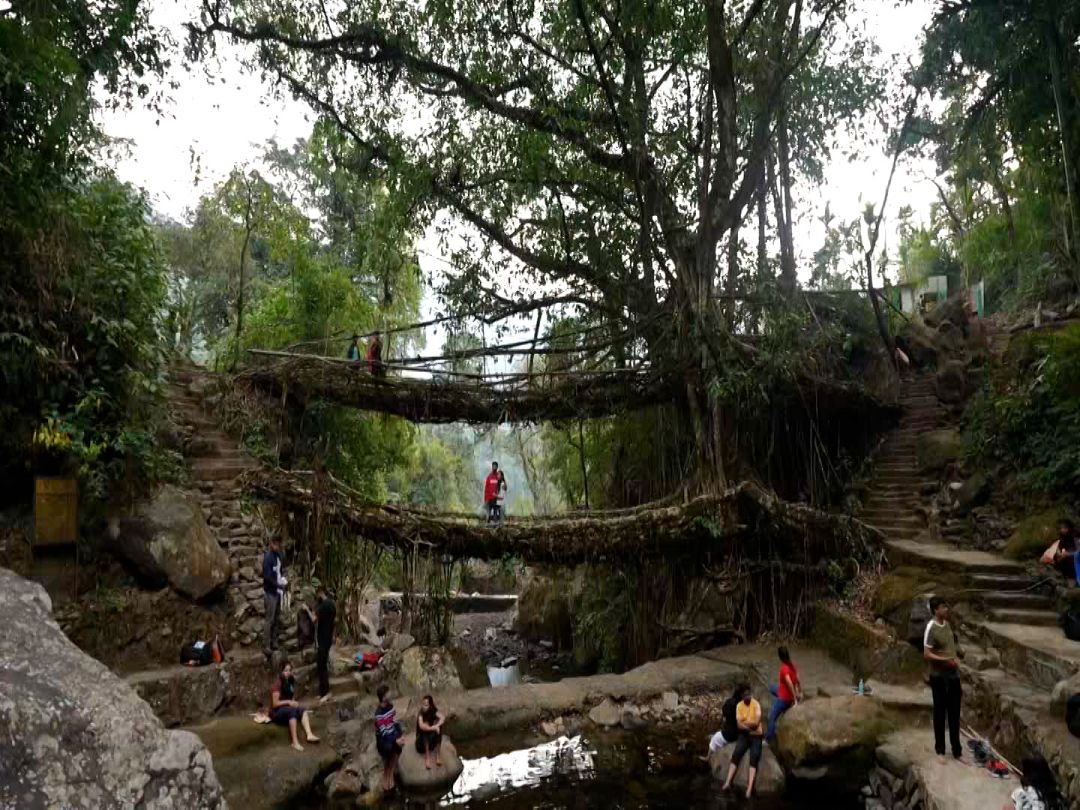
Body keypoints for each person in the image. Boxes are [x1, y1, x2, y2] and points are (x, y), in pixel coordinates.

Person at [924, 595, 964, 758]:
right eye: (943, 607)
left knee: (955, 713)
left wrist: (957, 656)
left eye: (946, 606)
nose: (946, 609)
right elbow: (927, 654)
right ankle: (940, 750)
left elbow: (950, 646)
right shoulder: (931, 627)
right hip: (939, 677)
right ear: (936, 610)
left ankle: (957, 751)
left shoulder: (947, 625)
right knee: (940, 713)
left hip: (953, 676)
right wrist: (946, 660)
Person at [721, 684, 763, 800]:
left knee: (754, 758)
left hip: (756, 736)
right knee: (736, 754)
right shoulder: (739, 705)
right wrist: (748, 725)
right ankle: (728, 782)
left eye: (749, 694)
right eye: (745, 695)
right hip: (744, 735)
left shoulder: (756, 705)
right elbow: (739, 725)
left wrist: (745, 723)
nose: (747, 697)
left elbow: (756, 722)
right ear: (742, 696)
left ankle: (749, 788)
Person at [270, 661, 320, 751]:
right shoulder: (277, 684)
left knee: (302, 710)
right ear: (281, 672)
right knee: (292, 712)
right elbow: (275, 703)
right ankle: (295, 742)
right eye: (285, 670)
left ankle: (309, 734)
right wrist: (289, 702)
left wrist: (293, 702)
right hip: (277, 712)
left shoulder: (290, 682)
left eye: (289, 670)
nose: (288, 673)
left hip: (286, 708)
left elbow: (291, 698)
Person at [766, 646, 802, 741]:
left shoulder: (784, 669)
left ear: (780, 657)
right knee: (772, 687)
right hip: (782, 691)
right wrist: (799, 691)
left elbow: (789, 682)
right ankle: (777, 697)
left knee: (771, 717)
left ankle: (768, 738)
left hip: (784, 698)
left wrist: (795, 699)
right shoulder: (793, 666)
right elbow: (797, 680)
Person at [375, 684, 405, 791]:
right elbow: (383, 732)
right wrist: (395, 740)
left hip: (392, 734)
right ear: (383, 697)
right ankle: (386, 774)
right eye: (388, 693)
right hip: (383, 739)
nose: (390, 694)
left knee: (398, 748)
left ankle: (391, 773)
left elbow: (394, 721)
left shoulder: (390, 706)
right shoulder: (378, 713)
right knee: (389, 748)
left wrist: (400, 734)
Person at [262, 534, 287, 659]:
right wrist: (278, 585)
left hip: (278, 591)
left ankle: (274, 641)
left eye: (279, 543)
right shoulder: (268, 557)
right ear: (271, 543)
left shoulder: (278, 556)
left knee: (276, 618)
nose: (277, 546)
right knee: (270, 619)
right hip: (270, 592)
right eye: (275, 543)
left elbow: (280, 571)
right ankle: (266, 645)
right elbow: (267, 576)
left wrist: (283, 581)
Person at [705, 683, 745, 758]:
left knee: (714, 739)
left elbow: (724, 714)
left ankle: (707, 758)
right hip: (740, 734)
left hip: (730, 735)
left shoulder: (729, 702)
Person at [314, 585, 336, 703]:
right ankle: (323, 692)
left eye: (317, 594)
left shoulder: (323, 605)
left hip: (323, 638)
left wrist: (306, 609)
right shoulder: (332, 604)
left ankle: (326, 692)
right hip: (328, 638)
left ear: (320, 592)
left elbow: (314, 619)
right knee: (322, 664)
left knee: (321, 665)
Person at [415, 694, 445, 770]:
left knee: (440, 728)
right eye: (423, 704)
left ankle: (438, 756)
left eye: (426, 705)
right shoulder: (421, 713)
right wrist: (434, 727)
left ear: (430, 705)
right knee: (425, 731)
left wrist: (437, 725)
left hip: (431, 743)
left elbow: (442, 718)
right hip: (421, 744)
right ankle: (427, 758)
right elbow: (422, 726)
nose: (423, 707)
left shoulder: (433, 710)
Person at [1047, 519, 1078, 584]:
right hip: (1064, 556)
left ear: (1069, 528)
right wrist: (1058, 551)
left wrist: (1067, 554)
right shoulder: (1062, 536)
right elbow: (1057, 544)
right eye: (1061, 528)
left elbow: (1077, 550)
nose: (1062, 530)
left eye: (1064, 528)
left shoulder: (1075, 536)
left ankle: (1072, 578)